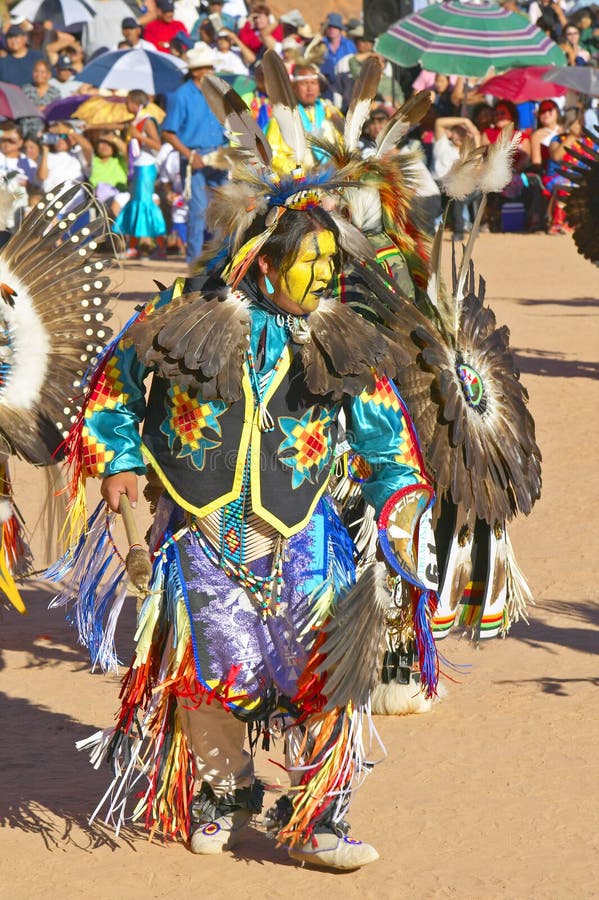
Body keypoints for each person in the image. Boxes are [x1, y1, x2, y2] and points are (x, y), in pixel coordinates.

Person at [64, 149, 434, 872]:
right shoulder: (178, 319)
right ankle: (224, 792)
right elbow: (112, 391)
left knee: (330, 664)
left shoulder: (342, 333)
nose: (327, 275)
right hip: (202, 532)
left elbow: (386, 441)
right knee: (209, 668)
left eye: (333, 260)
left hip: (303, 534)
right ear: (264, 262)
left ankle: (319, 813)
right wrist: (120, 462)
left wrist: (403, 505)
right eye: (312, 261)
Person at [161, 42, 227, 264]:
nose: (212, 72)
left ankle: (220, 262)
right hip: (194, 157)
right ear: (197, 71)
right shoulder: (181, 95)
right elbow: (168, 133)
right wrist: (189, 155)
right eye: (208, 67)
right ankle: (195, 265)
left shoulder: (219, 91)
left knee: (225, 209)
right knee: (198, 212)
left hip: (219, 156)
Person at [113, 89, 167, 258]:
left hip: (146, 167)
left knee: (146, 205)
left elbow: (158, 145)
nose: (125, 104)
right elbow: (116, 125)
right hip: (138, 168)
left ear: (136, 103)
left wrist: (140, 137)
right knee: (136, 204)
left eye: (127, 101)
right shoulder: (135, 121)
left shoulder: (147, 121)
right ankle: (134, 248)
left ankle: (161, 249)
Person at [265, 62, 341, 173]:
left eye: (314, 83)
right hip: (300, 184)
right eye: (304, 83)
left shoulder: (330, 111)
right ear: (294, 87)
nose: (310, 88)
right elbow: (273, 155)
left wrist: (338, 164)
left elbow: (343, 143)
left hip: (333, 178)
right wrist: (303, 171)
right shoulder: (283, 117)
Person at [319, 13, 355, 92]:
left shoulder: (349, 45)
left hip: (345, 85)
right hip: (325, 86)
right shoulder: (320, 44)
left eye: (335, 27)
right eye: (329, 26)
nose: (331, 29)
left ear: (340, 29)